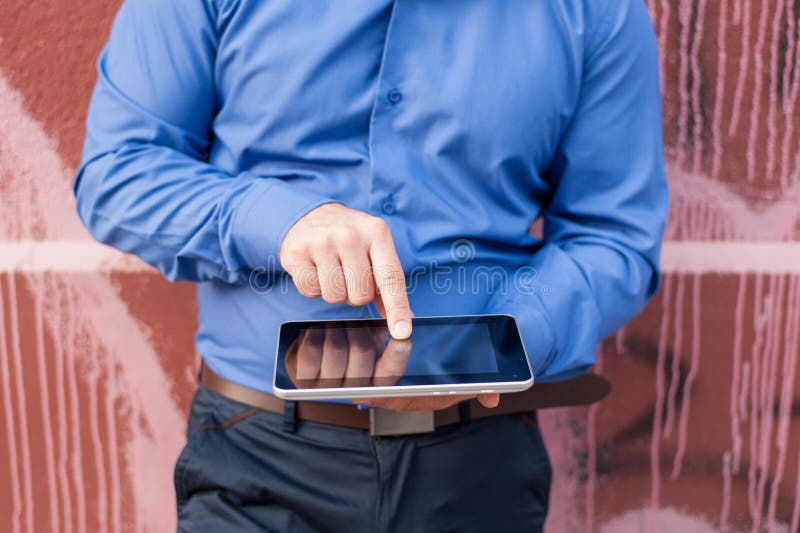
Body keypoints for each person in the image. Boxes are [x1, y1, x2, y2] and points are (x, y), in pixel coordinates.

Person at [74, 0, 668, 530]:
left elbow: (615, 236)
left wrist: (501, 345)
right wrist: (276, 221)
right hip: (255, 459)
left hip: (479, 466)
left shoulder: (598, 11)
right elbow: (117, 172)